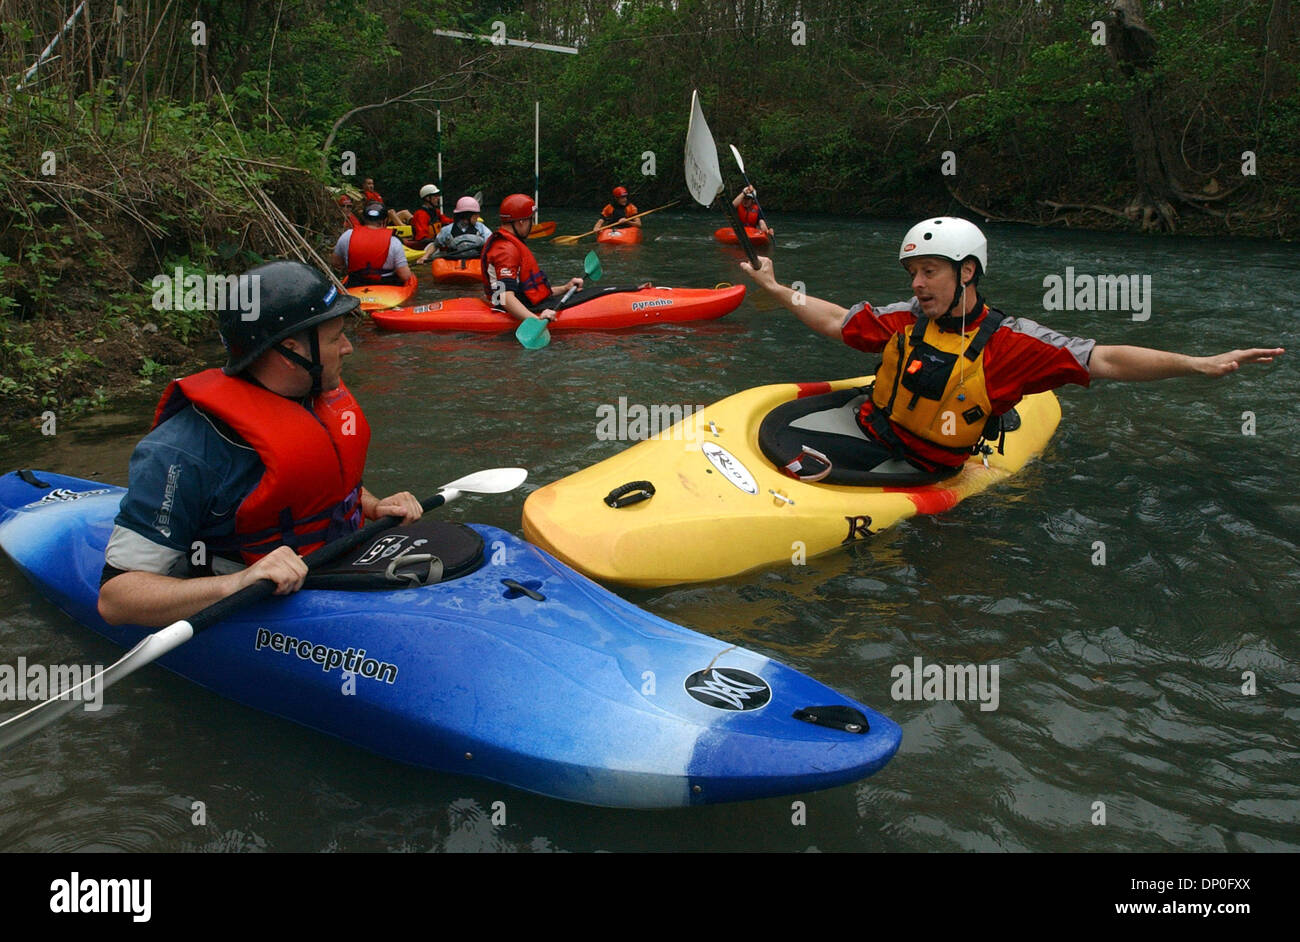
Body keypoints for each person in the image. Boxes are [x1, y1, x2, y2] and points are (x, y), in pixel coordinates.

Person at [740, 216, 1282, 479]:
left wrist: (1195, 363)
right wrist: (773, 286)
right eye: (912, 273)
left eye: (929, 272)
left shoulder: (1015, 344)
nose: (916, 284)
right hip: (870, 425)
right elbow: (838, 321)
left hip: (922, 463)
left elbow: (1107, 358)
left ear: (967, 271)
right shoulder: (907, 318)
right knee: (770, 431)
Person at [98, 261, 423, 628]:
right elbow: (116, 598)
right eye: (335, 339)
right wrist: (238, 583)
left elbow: (318, 482)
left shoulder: (311, 393)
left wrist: (376, 507)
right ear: (290, 351)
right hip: (251, 599)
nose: (348, 348)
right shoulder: (183, 450)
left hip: (334, 567)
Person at [482, 194, 582, 325]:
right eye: (531, 220)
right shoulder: (505, 250)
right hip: (509, 308)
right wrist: (536, 320)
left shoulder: (510, 244)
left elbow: (529, 290)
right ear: (521, 222)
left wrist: (565, 288)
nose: (533, 225)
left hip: (523, 302)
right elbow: (504, 296)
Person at [329, 202, 413, 286]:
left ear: (364, 219)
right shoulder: (394, 241)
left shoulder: (347, 235)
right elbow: (404, 276)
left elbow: (335, 262)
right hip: (386, 286)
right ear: (385, 220)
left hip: (356, 284)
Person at [419, 196, 492, 262]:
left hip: (475, 261)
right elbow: (435, 245)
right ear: (466, 215)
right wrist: (425, 256)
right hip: (454, 263)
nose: (478, 216)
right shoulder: (447, 230)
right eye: (475, 214)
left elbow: (492, 243)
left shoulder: (481, 228)